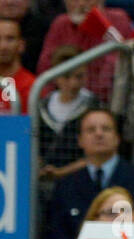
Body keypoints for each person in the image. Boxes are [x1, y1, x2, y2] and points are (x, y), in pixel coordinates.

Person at [46, 107, 134, 239]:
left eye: (106, 129)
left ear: (117, 138)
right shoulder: (66, 185)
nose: (98, 134)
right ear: (80, 140)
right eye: (91, 130)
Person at [36, 0, 132, 101]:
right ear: (65, 1)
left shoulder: (117, 19)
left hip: (107, 100)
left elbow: (116, 66)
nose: (81, 3)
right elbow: (46, 66)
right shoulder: (60, 24)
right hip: (66, 98)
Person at [37, 44, 98, 183]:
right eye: (66, 77)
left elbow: (97, 155)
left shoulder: (93, 106)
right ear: (55, 76)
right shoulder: (42, 106)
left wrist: (61, 173)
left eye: (79, 76)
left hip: (82, 181)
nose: (73, 83)